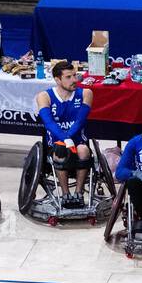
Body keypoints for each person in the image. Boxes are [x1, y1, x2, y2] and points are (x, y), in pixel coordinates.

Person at [35, 60, 95, 208]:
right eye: (68, 77)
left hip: (78, 141)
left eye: (75, 75)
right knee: (60, 151)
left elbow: (80, 121)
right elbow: (49, 124)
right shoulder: (44, 96)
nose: (74, 80)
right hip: (56, 143)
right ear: (57, 79)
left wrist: (70, 139)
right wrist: (65, 139)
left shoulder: (86, 93)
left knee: (83, 150)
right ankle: (65, 194)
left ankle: (79, 193)